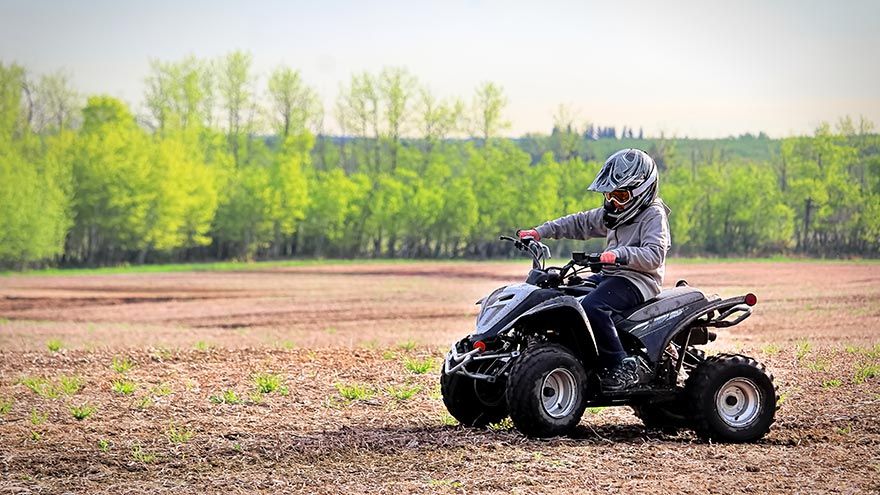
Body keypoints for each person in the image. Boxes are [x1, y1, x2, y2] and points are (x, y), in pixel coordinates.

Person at [517, 149, 671, 391]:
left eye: (619, 195)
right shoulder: (615, 213)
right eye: (609, 195)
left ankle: (622, 366)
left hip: (639, 280)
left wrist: (619, 255)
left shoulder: (653, 214)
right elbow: (579, 223)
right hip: (611, 275)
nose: (612, 202)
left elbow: (654, 255)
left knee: (593, 307)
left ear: (641, 192)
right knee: (565, 295)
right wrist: (540, 232)